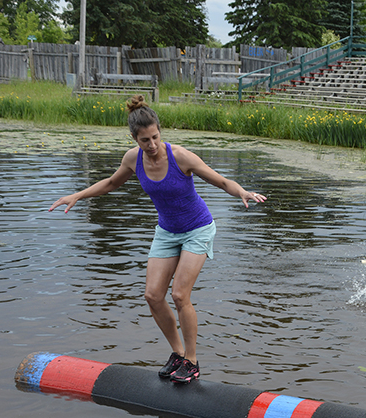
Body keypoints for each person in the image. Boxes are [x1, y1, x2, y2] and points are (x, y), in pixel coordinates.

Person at [49, 95, 266, 384]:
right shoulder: (132, 159)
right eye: (144, 140)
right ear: (134, 139)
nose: (151, 145)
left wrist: (241, 192)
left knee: (179, 295)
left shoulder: (180, 156)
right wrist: (78, 194)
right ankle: (177, 354)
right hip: (167, 230)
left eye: (155, 137)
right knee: (152, 296)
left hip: (198, 227)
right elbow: (112, 183)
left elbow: (221, 180)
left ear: (160, 132)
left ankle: (192, 360)